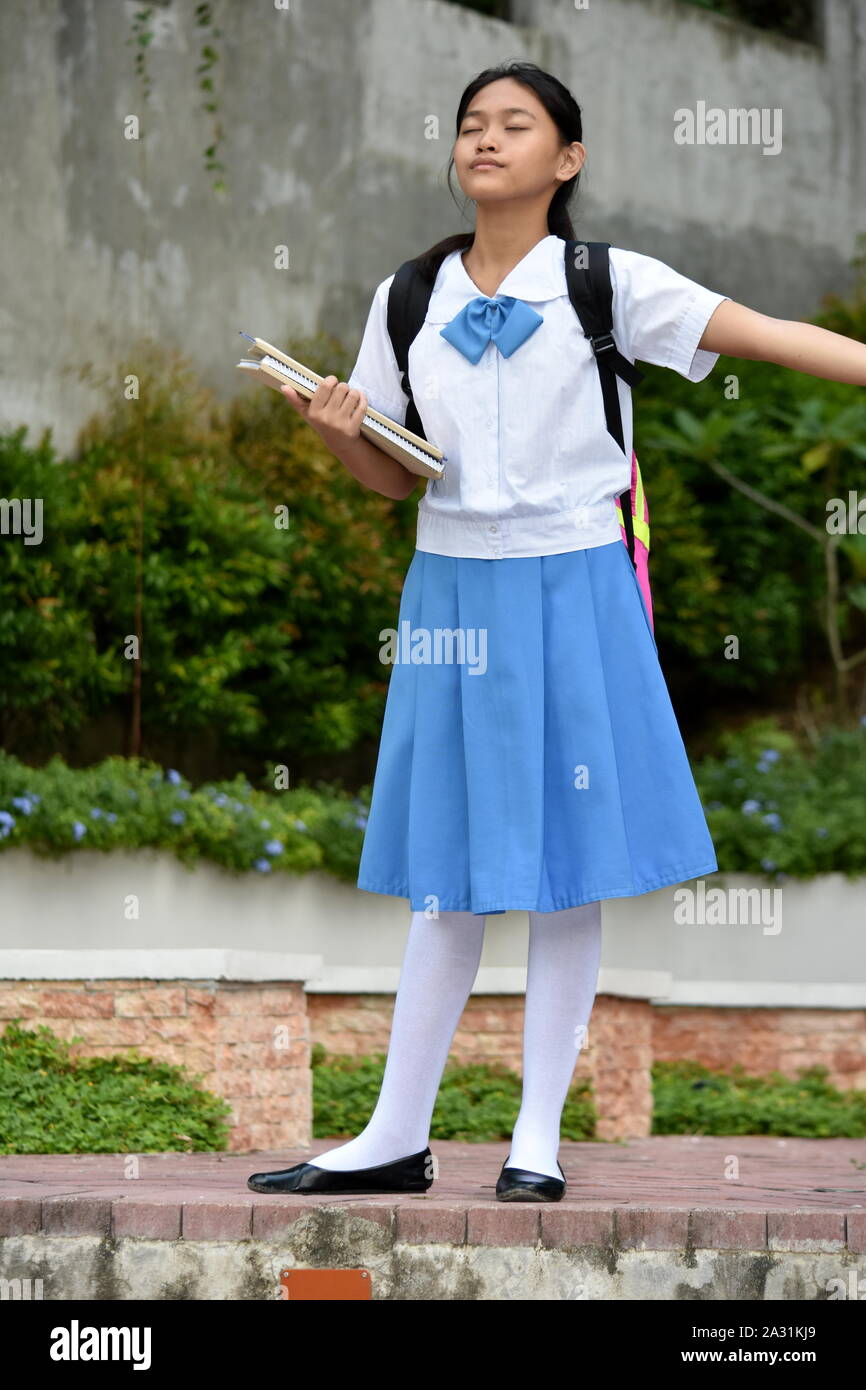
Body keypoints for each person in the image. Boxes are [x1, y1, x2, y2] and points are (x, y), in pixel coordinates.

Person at [248, 61, 866, 1203]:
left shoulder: (604, 283)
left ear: (564, 159)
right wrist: (338, 432)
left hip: (574, 582)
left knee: (567, 871)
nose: (484, 139)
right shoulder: (406, 297)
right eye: (469, 125)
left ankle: (535, 1140)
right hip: (449, 595)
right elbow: (392, 476)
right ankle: (393, 1135)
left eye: (513, 124)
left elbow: (768, 332)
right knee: (448, 872)